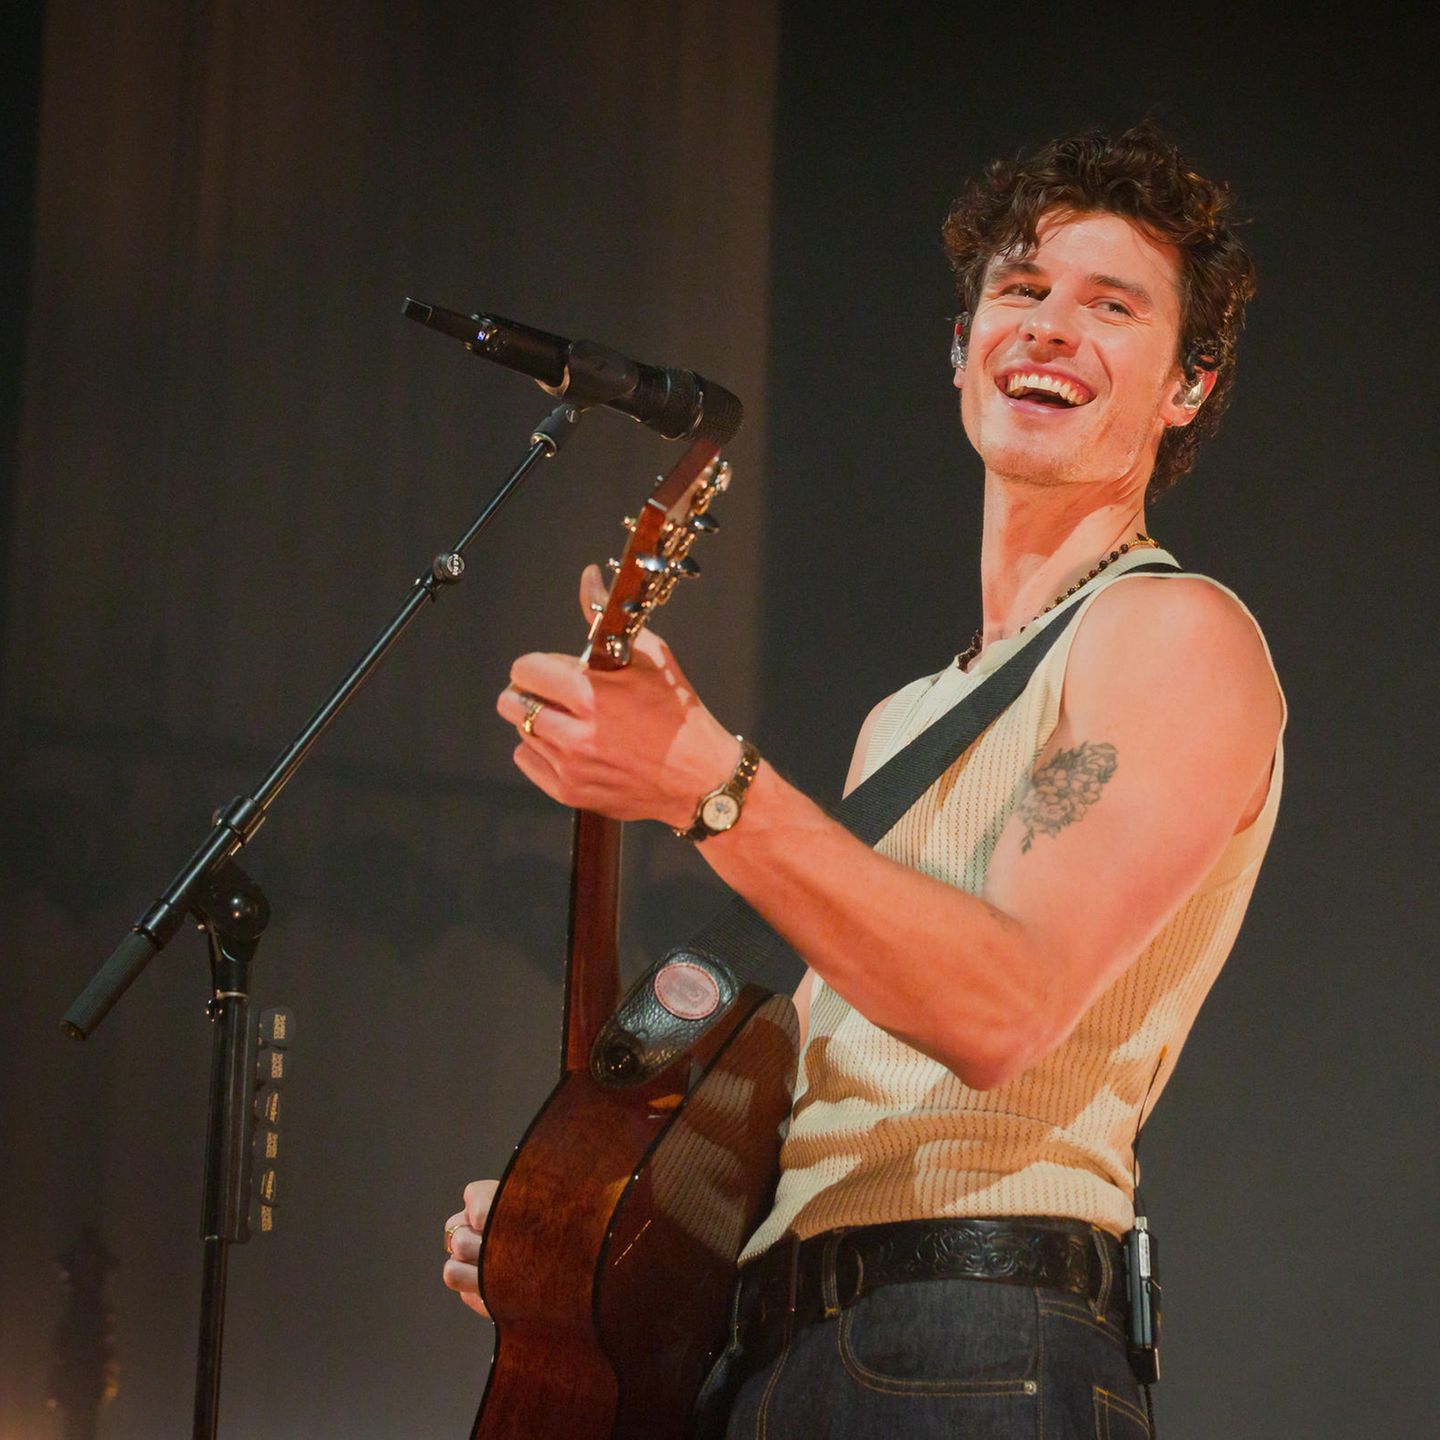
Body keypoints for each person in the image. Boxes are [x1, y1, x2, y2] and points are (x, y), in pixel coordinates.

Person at [442, 123, 1284, 1438]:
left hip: (973, 1341)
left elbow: (1000, 1007)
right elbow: (850, 1103)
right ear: (961, 349)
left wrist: (712, 784)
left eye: (1112, 306)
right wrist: (590, 1235)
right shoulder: (908, 718)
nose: (1052, 325)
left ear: (1187, 386)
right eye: (1021, 290)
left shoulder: (1173, 635)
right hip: (777, 1356)